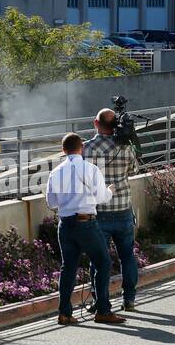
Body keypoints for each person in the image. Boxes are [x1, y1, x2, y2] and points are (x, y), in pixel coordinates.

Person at [45, 132, 126, 325]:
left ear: (63, 150)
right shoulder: (91, 169)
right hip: (86, 223)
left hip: (65, 224)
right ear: (81, 148)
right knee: (103, 263)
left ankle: (65, 313)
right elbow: (100, 198)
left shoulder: (55, 172)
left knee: (68, 268)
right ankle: (103, 310)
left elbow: (51, 203)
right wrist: (109, 191)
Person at [85, 107, 140, 311]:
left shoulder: (88, 148)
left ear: (96, 123)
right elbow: (134, 169)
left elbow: (83, 178)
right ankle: (130, 298)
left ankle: (100, 300)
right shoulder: (126, 146)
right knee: (127, 255)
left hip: (99, 211)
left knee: (98, 259)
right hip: (124, 207)